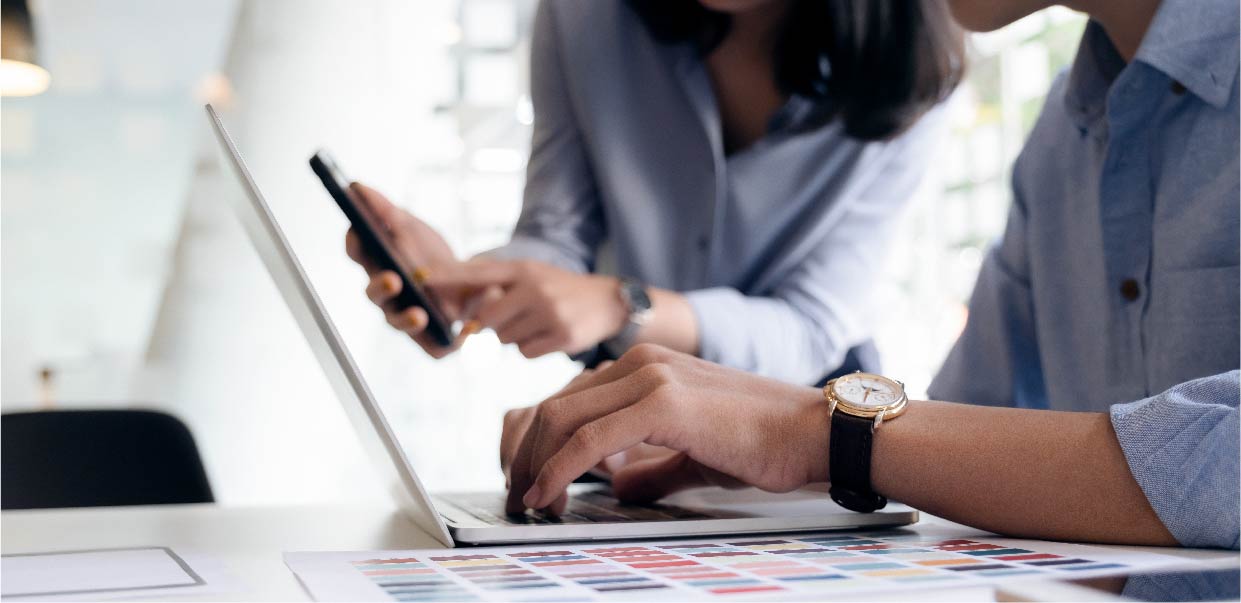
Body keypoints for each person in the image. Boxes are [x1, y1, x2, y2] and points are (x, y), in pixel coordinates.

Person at [495, 0, 1240, 549]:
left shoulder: (906, 73)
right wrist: (763, 444)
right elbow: (967, 430)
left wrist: (809, 432)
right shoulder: (1063, 136)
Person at [346, 0, 964, 384]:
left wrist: (624, 306)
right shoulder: (582, 15)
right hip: (624, 413)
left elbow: (811, 329)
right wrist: (465, 282)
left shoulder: (912, 71)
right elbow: (556, 235)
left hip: (802, 436)